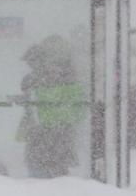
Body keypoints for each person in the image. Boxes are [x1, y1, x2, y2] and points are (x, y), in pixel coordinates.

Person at [18, 35, 86, 179]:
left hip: (48, 133)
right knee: (55, 172)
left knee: (45, 171)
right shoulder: (68, 77)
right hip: (53, 133)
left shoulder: (57, 79)